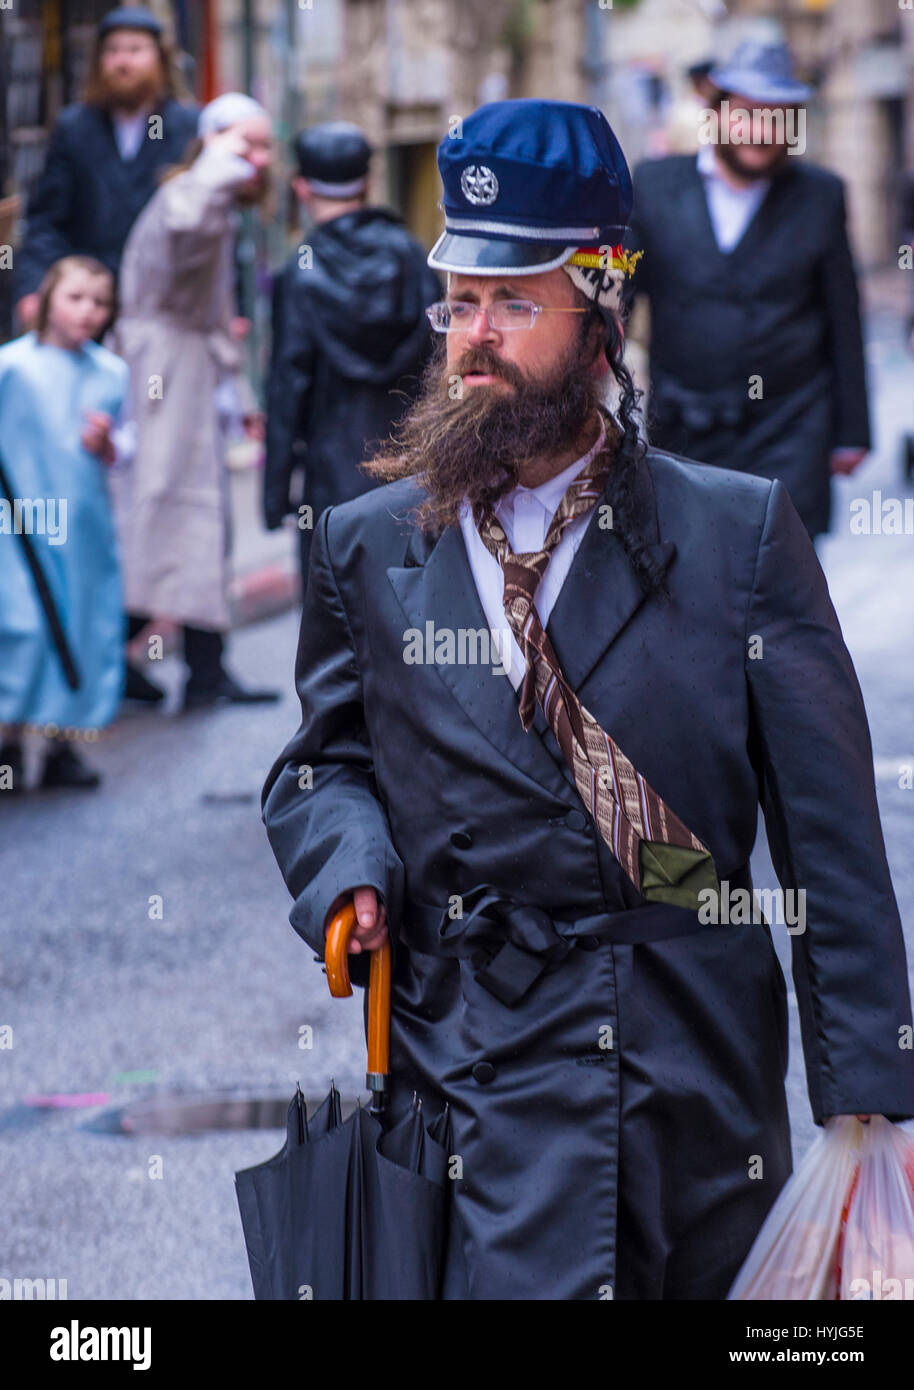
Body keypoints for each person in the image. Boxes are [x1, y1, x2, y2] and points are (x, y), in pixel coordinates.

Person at [261, 99, 914, 1300]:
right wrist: (346, 865)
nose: (476, 337)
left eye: (515, 302)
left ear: (599, 307)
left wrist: (866, 1093)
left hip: (688, 1053)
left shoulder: (736, 533)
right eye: (458, 300)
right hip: (464, 1054)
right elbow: (321, 762)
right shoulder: (368, 544)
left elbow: (827, 837)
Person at [623, 40, 870, 538]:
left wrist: (852, 432)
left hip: (790, 427)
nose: (762, 130)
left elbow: (843, 315)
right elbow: (617, 304)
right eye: (749, 113)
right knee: (687, 579)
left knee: (779, 588)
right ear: (716, 112)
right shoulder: (653, 187)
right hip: (684, 427)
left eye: (778, 116)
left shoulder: (821, 195)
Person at [109, 92, 279, 712]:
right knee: (166, 512)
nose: (257, 160)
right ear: (212, 142)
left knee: (195, 515)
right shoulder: (195, 197)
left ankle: (203, 667)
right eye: (246, 144)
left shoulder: (216, 205)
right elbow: (184, 221)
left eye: (264, 147)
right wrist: (221, 161)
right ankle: (106, 657)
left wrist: (236, 385)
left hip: (186, 368)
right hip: (164, 371)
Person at [264, 122, 441, 586]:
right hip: (412, 473)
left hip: (331, 480)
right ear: (365, 182)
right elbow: (442, 363)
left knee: (335, 625)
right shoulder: (413, 256)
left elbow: (287, 386)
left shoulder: (298, 271)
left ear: (301, 187)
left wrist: (276, 490)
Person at [0, 257, 128, 791]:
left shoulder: (112, 373)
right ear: (47, 298)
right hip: (16, 527)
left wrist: (107, 446)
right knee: (22, 628)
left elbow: (125, 446)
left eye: (99, 302)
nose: (87, 311)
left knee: (78, 625)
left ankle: (59, 745)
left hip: (82, 524)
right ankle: (7, 745)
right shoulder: (11, 366)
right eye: (75, 297)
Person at [14, 6, 199, 330]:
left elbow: (211, 223)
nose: (122, 61)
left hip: (165, 304)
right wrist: (34, 287)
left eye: (134, 50)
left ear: (159, 58)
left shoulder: (186, 126)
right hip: (88, 307)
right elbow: (46, 220)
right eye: (112, 51)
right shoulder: (75, 127)